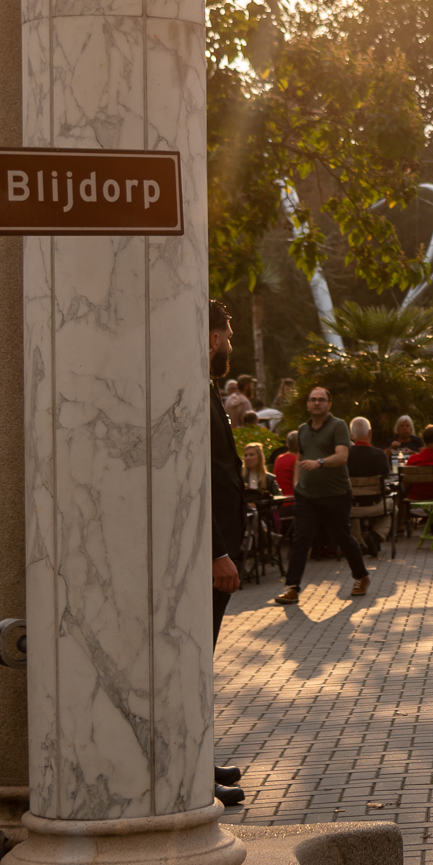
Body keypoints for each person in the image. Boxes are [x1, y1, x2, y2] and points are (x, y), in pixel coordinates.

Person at [274, 386, 372, 605]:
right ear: (308, 404)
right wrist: (297, 483)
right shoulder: (303, 430)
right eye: (313, 400)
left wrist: (319, 463)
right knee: (301, 539)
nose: (316, 403)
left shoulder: (338, 426)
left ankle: (361, 576)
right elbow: (300, 458)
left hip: (335, 494)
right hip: (306, 496)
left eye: (321, 400)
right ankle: (292, 588)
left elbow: (342, 456)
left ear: (329, 404)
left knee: (343, 537)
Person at [204, 302, 246, 802]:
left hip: (216, 548)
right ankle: (193, 773)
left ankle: (198, 757)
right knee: (193, 662)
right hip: (204, 555)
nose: (230, 345)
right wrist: (216, 551)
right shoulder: (188, 385)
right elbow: (195, 475)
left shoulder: (206, 384)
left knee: (199, 661)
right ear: (213, 337)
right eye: (228, 336)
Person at [345, 417, 390, 554]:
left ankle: (359, 542)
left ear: (351, 435)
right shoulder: (380, 455)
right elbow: (386, 477)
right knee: (392, 506)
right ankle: (376, 535)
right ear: (370, 433)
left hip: (352, 507)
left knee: (351, 500)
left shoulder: (345, 456)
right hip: (375, 504)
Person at [273, 430, 298, 496]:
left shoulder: (279, 458)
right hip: (293, 497)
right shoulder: (297, 460)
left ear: (287, 444)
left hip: (280, 497)